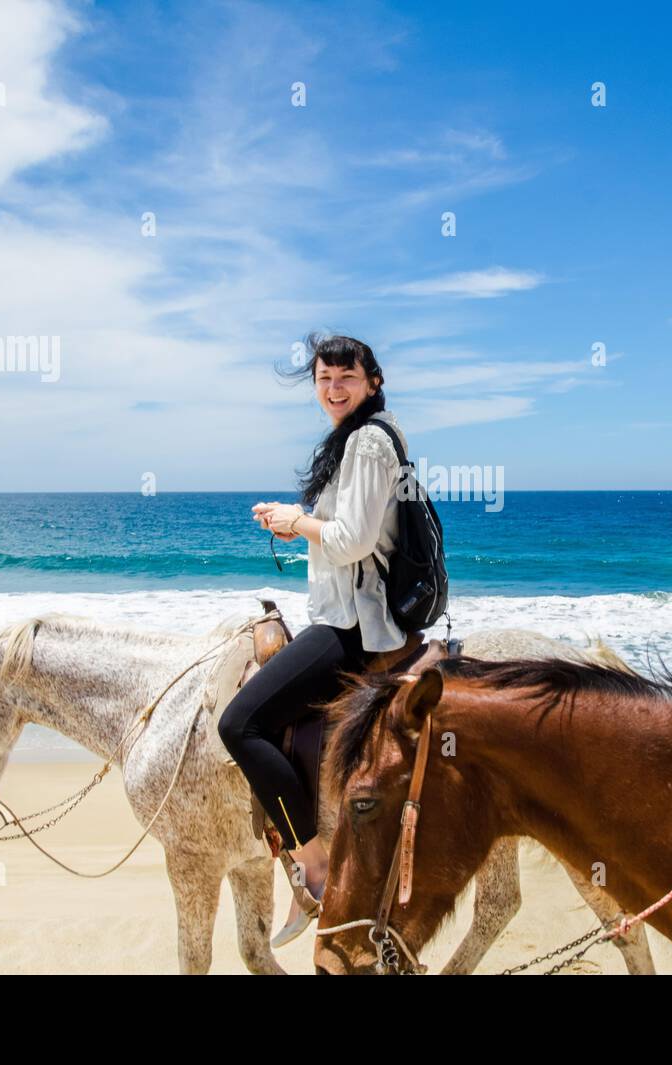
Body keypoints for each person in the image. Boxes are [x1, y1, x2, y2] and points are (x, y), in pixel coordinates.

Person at [218, 332, 412, 948]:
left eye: (346, 378)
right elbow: (346, 525)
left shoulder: (370, 441)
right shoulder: (357, 440)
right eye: (324, 379)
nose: (333, 388)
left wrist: (293, 522)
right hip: (344, 613)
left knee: (238, 725)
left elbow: (352, 539)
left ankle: (315, 865)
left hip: (353, 627)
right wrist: (293, 515)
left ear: (371, 382)